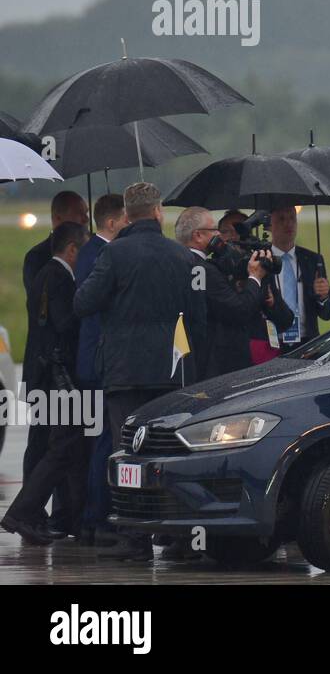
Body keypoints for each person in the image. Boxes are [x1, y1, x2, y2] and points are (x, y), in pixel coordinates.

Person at [73, 182, 205, 562]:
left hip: (124, 371)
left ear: (127, 215)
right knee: (168, 453)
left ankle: (134, 539)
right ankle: (173, 530)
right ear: (159, 212)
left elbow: (83, 302)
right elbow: (198, 317)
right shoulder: (182, 258)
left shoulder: (115, 255)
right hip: (171, 371)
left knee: (127, 453)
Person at [2, 222, 89, 545]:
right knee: (62, 447)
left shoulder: (44, 274)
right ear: (71, 249)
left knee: (64, 447)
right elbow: (64, 323)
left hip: (46, 376)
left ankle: (66, 516)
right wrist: (87, 304)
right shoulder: (60, 279)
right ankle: (23, 512)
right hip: (59, 378)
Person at [75, 194, 127, 546]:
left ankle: (97, 516)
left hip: (100, 358)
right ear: (111, 222)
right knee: (105, 441)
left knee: (105, 439)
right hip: (100, 360)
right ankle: (97, 516)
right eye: (125, 219)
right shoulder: (99, 253)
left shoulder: (96, 251)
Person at [174, 207, 268, 380]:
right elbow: (239, 310)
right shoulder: (204, 269)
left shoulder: (177, 263)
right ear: (198, 235)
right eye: (213, 229)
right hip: (214, 362)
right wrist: (255, 278)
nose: (218, 234)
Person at [268, 202, 330, 351]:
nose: (288, 224)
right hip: (272, 344)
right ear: (269, 225)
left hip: (307, 344)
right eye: (281, 219)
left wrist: (323, 297)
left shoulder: (312, 260)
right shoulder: (261, 259)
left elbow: (328, 313)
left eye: (293, 218)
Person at [23, 190, 88, 295]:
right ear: (58, 218)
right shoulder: (37, 257)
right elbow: (37, 302)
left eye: (86, 213)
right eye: (79, 213)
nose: (86, 219)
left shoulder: (95, 248)